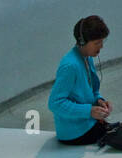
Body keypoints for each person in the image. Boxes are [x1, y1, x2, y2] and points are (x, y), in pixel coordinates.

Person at [48, 16, 114, 145]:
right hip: (74, 133)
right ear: (83, 42)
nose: (101, 47)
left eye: (102, 42)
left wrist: (99, 101)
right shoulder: (70, 66)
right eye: (97, 43)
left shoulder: (86, 57)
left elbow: (91, 91)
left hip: (86, 123)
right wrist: (89, 111)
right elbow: (55, 103)